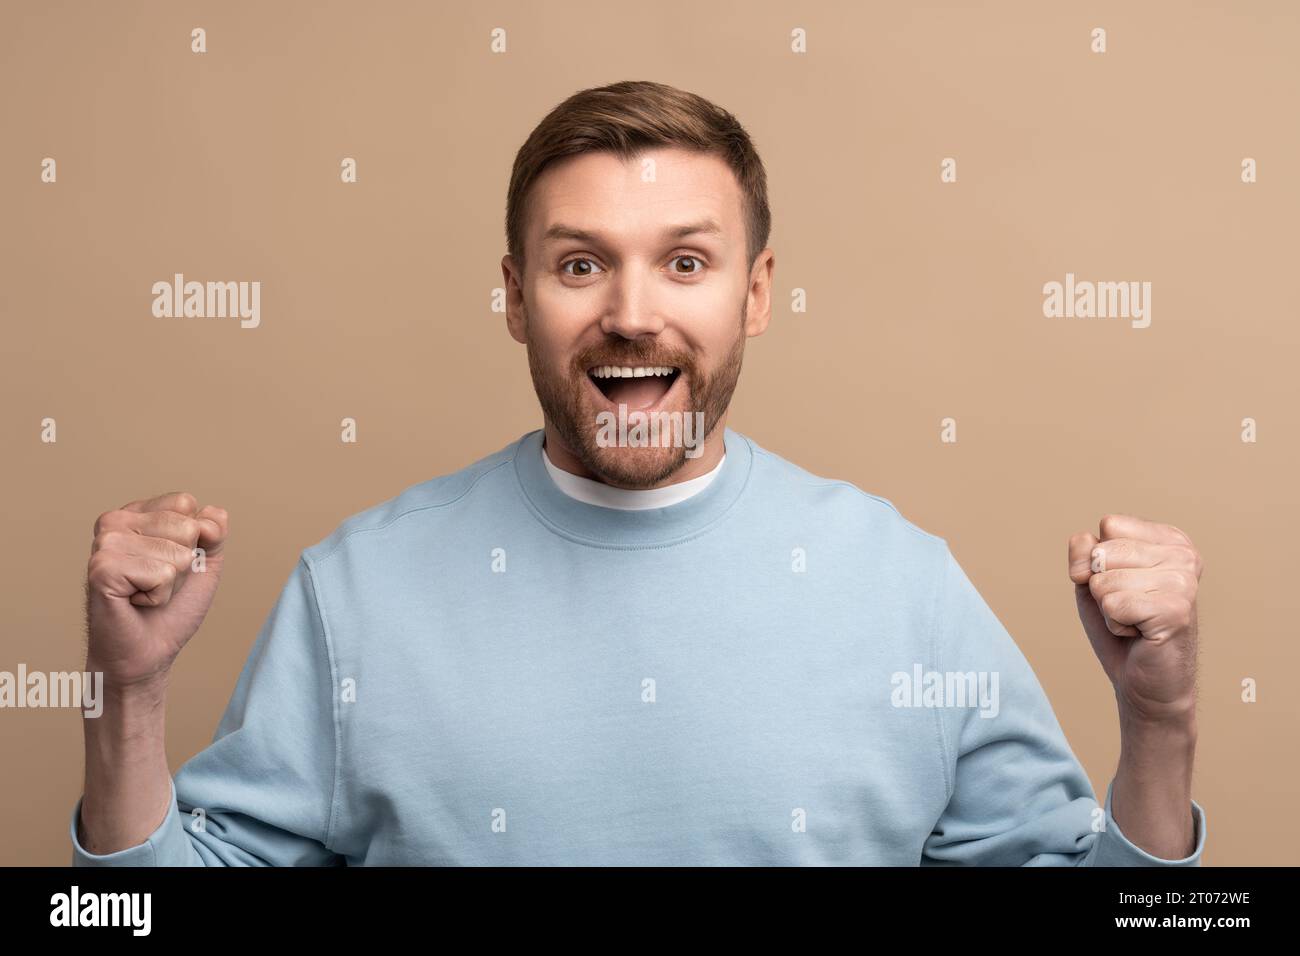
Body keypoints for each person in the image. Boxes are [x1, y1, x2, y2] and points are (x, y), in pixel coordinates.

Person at [72, 80, 1205, 866]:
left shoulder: (903, 586)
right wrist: (126, 699)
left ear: (754, 293)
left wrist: (1162, 728)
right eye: (579, 264)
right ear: (516, 297)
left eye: (685, 261)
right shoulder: (356, 591)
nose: (630, 313)